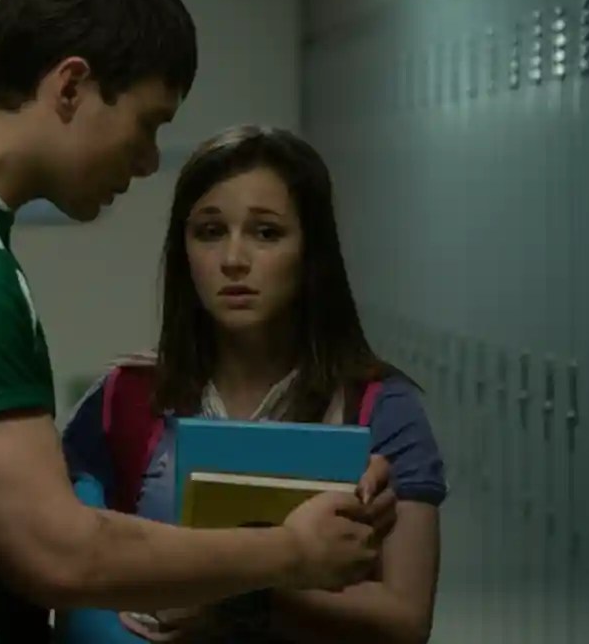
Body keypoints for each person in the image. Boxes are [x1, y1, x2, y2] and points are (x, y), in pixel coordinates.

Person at [0, 0, 396, 644]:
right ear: (71, 87)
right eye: (147, 125)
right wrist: (291, 553)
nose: (145, 161)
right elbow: (58, 553)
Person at [59, 125, 448, 643]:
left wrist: (236, 596)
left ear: (311, 252)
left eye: (266, 233)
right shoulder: (124, 398)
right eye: (210, 232)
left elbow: (405, 621)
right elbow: (64, 556)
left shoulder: (380, 410)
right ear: (184, 251)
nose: (234, 260)